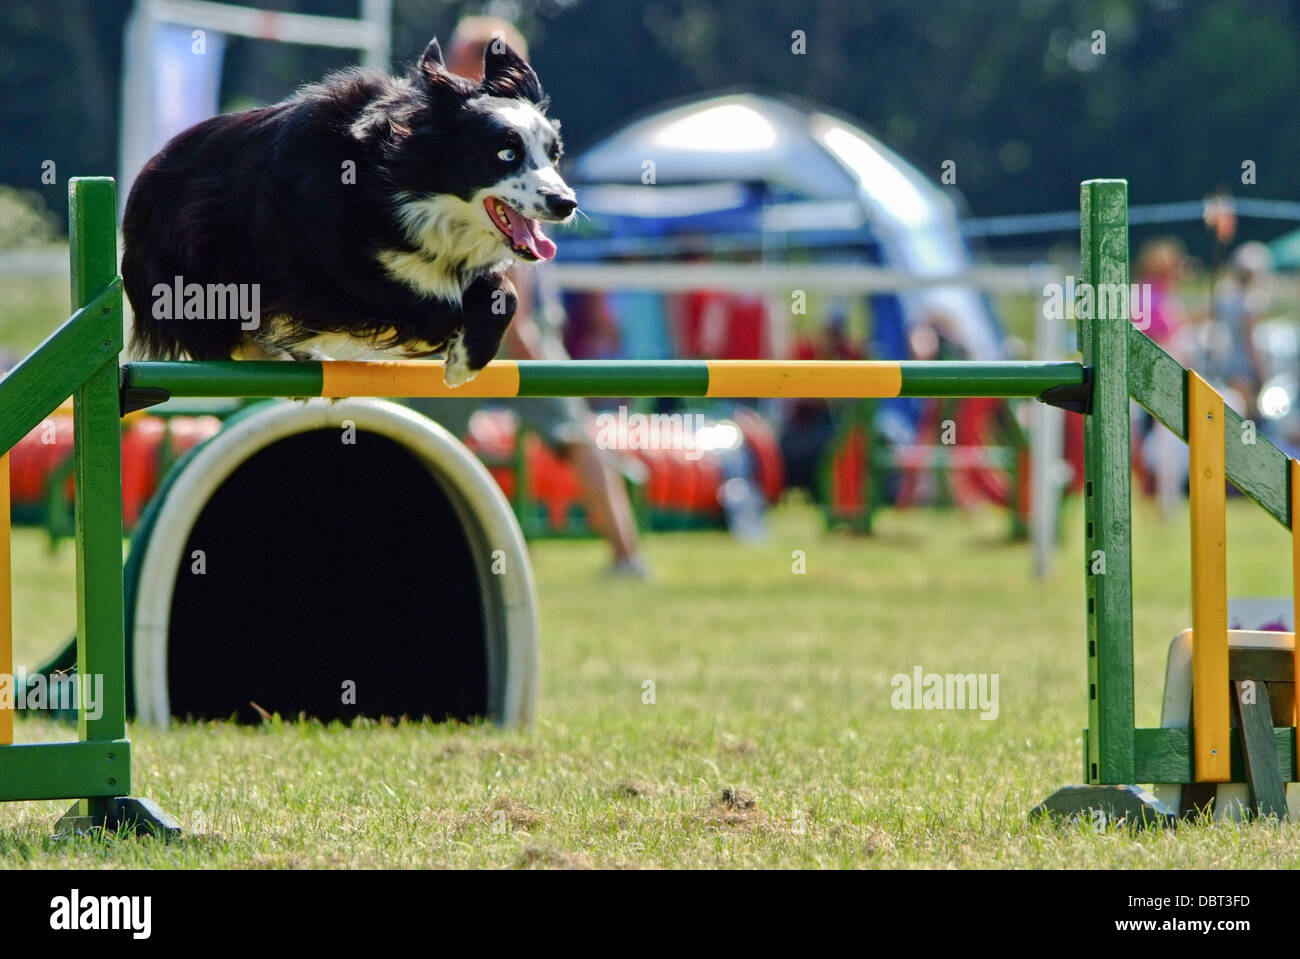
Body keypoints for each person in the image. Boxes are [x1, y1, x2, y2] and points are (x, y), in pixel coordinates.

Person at [405, 17, 648, 578]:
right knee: (424, 442)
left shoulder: (507, 135)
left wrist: (523, 337)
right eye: (473, 57)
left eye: (486, 58)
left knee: (573, 436)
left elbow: (519, 263)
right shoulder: (466, 132)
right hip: (458, 328)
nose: (474, 69)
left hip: (512, 325)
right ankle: (425, 552)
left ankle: (626, 557)